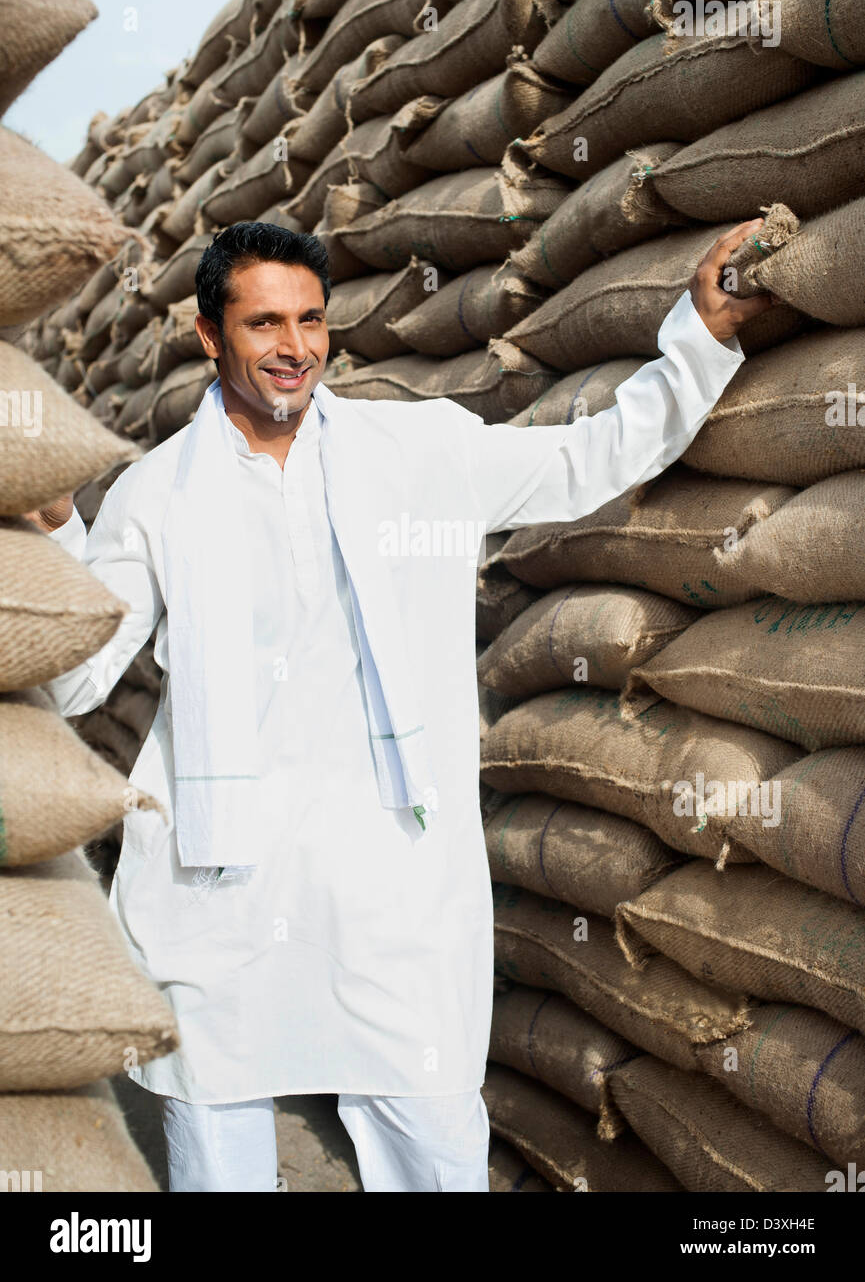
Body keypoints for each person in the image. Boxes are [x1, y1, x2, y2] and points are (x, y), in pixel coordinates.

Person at [30, 219, 773, 1192]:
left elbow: (590, 459)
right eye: (263, 324)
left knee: (436, 1160)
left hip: (393, 894)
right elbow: (79, 679)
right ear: (211, 336)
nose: (292, 346)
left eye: (309, 320)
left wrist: (701, 336)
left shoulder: (418, 452)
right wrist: (55, 538)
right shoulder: (158, 495)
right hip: (218, 901)